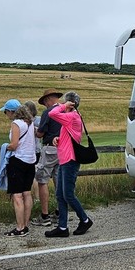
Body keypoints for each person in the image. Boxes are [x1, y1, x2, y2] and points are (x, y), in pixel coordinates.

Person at [44, 91, 93, 238]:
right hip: (64, 158)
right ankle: (63, 226)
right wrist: (58, 139)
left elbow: (51, 114)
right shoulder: (71, 118)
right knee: (60, 195)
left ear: (70, 103)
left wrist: (62, 106)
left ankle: (85, 219)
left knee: (68, 195)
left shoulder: (71, 116)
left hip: (70, 160)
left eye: (65, 102)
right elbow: (70, 133)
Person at [1, 99, 37, 236]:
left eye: (6, 112)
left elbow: (14, 144)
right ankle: (25, 224)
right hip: (30, 160)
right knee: (27, 193)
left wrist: (6, 146)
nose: (6, 115)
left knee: (17, 195)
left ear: (11, 112)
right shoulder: (30, 122)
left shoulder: (16, 124)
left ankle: (20, 227)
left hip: (18, 160)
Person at [30, 89, 62, 228]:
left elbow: (41, 134)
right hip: (63, 149)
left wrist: (35, 131)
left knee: (42, 181)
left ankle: (44, 215)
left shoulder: (48, 113)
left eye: (44, 102)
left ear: (48, 99)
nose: (45, 105)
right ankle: (60, 212)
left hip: (49, 148)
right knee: (58, 180)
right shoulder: (65, 111)